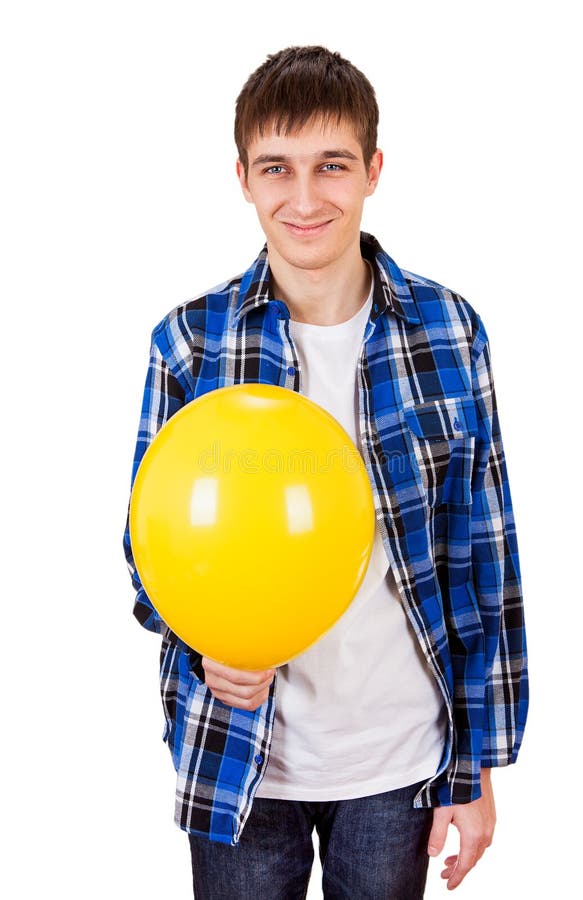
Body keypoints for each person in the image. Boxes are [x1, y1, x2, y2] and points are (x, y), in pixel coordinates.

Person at [124, 45, 528, 899]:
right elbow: (148, 548)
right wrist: (202, 648)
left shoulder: (450, 332)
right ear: (242, 177)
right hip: (240, 756)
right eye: (277, 168)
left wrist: (477, 768)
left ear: (373, 171)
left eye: (331, 166)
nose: (304, 200)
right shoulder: (191, 344)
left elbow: (481, 557)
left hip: (398, 762)